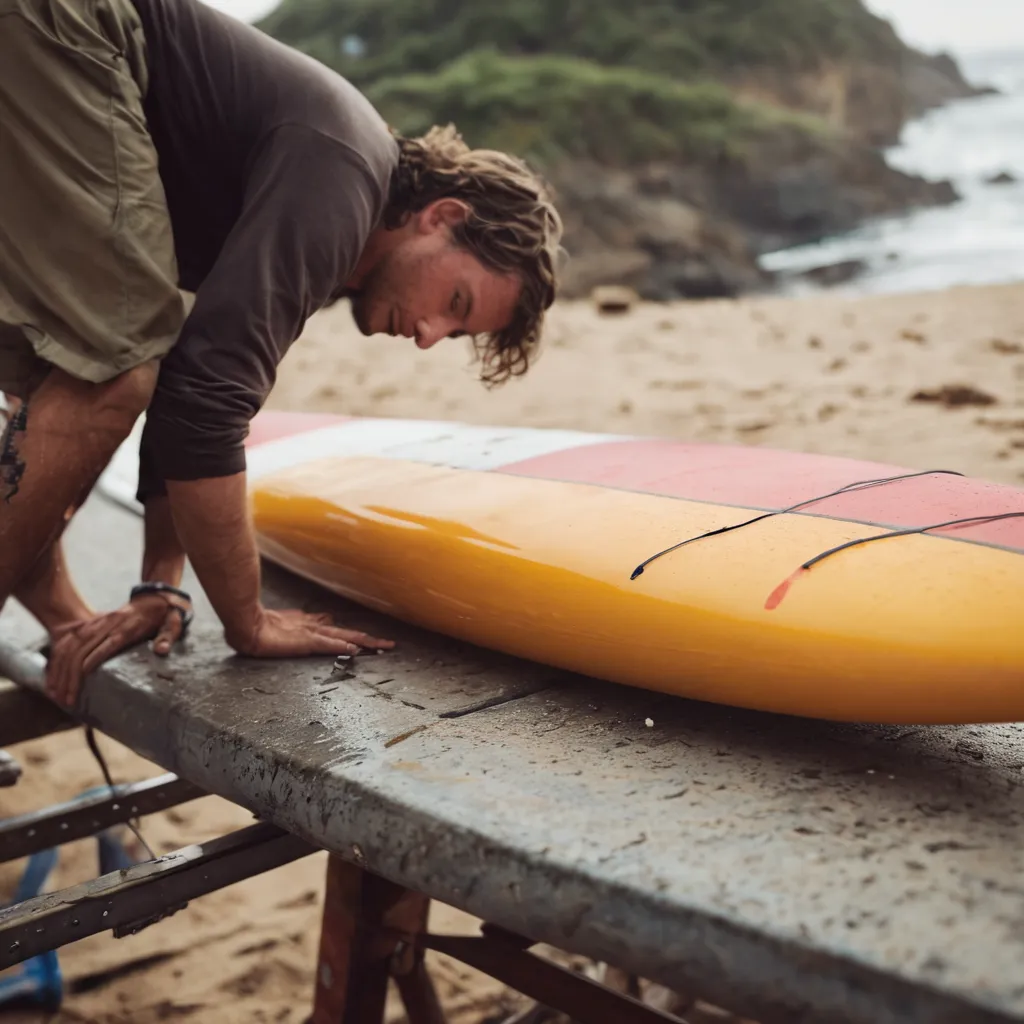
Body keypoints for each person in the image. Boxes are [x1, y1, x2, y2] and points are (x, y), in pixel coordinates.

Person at [0, 0, 563, 707]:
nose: (427, 336)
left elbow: (187, 372)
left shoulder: (331, 216)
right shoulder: (344, 181)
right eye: (454, 305)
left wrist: (159, 581)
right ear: (442, 217)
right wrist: (249, 621)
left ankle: (59, 612)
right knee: (110, 372)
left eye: (453, 337)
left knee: (58, 378)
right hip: (71, 29)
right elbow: (206, 404)